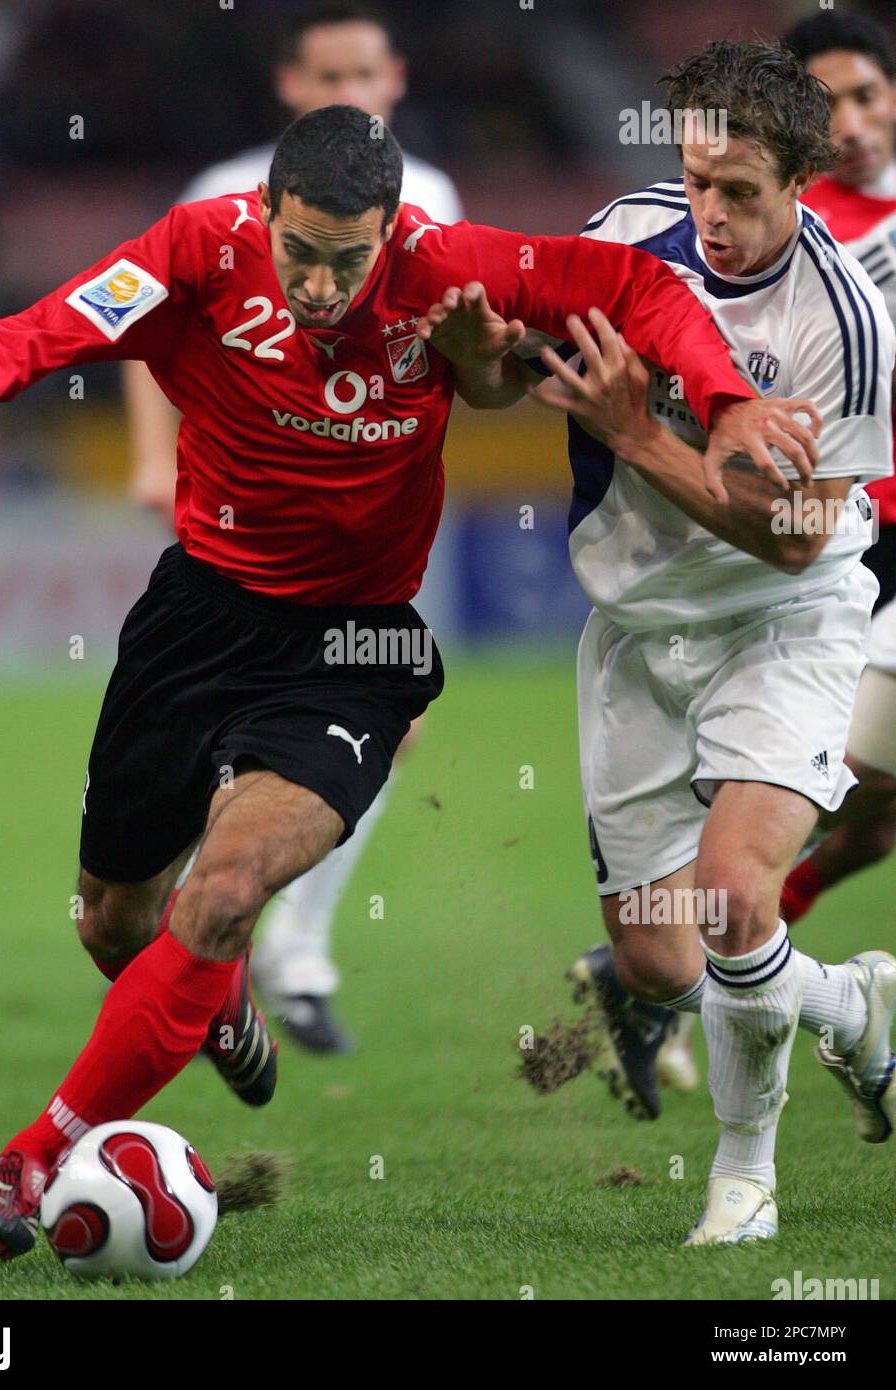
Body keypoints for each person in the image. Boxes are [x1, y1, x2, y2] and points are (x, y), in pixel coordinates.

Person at [0, 103, 804, 1262]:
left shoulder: (443, 266)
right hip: (196, 623)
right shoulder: (192, 252)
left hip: (354, 655)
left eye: (347, 259)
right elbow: (39, 333)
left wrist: (723, 399)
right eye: (297, 251)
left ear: (391, 230)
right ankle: (217, 995)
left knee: (219, 895)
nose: (318, 284)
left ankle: (31, 1158)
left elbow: (635, 289)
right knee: (116, 925)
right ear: (262, 215)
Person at [418, 40, 896, 1244]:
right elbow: (502, 380)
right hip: (634, 634)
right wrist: (478, 349)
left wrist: (637, 435)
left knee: (737, 899)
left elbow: (793, 541)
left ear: (800, 176)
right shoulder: (623, 240)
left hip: (782, 623)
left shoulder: (844, 320)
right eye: (695, 184)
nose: (711, 215)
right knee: (651, 958)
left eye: (738, 190)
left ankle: (742, 1180)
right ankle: (851, 1008)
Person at [124, 2, 463, 1053]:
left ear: (395, 77)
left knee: (388, 727)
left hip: (372, 517)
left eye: (363, 74)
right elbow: (145, 324)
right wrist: (148, 455)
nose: (347, 95)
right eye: (328, 77)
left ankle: (293, 948)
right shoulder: (220, 193)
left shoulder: (434, 196)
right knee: (225, 723)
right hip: (245, 503)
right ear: (290, 87)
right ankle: (197, 924)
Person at [778, 11, 896, 927]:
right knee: (842, 780)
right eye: (826, 109)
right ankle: (679, 958)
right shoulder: (796, 236)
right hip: (856, 534)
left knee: (873, 813)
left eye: (866, 95)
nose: (851, 125)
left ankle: (684, 961)